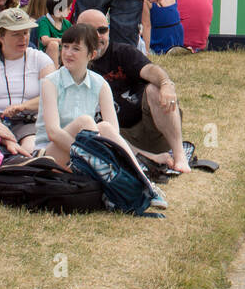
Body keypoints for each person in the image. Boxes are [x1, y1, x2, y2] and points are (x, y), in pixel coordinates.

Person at [36, 24, 160, 211]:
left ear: (91, 55)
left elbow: (112, 132)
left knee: (105, 128)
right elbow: (53, 132)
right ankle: (114, 179)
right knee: (86, 121)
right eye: (66, 46)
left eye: (76, 48)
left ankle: (145, 182)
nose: (68, 53)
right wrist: (90, 157)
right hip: (50, 154)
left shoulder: (100, 83)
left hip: (86, 158)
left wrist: (94, 158)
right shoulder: (50, 82)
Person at [74, 9, 190, 174]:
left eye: (102, 30)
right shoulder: (73, 61)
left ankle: (179, 155)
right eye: (91, 31)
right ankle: (147, 157)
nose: (98, 36)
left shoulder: (123, 52)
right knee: (95, 127)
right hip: (113, 138)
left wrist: (166, 84)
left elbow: (150, 70)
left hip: (150, 128)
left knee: (155, 89)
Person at [0, 8, 56, 154]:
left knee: (30, 148)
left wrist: (23, 106)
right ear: (0, 36)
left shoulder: (40, 59)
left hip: (29, 121)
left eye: (26, 33)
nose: (23, 38)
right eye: (16, 34)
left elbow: (53, 96)